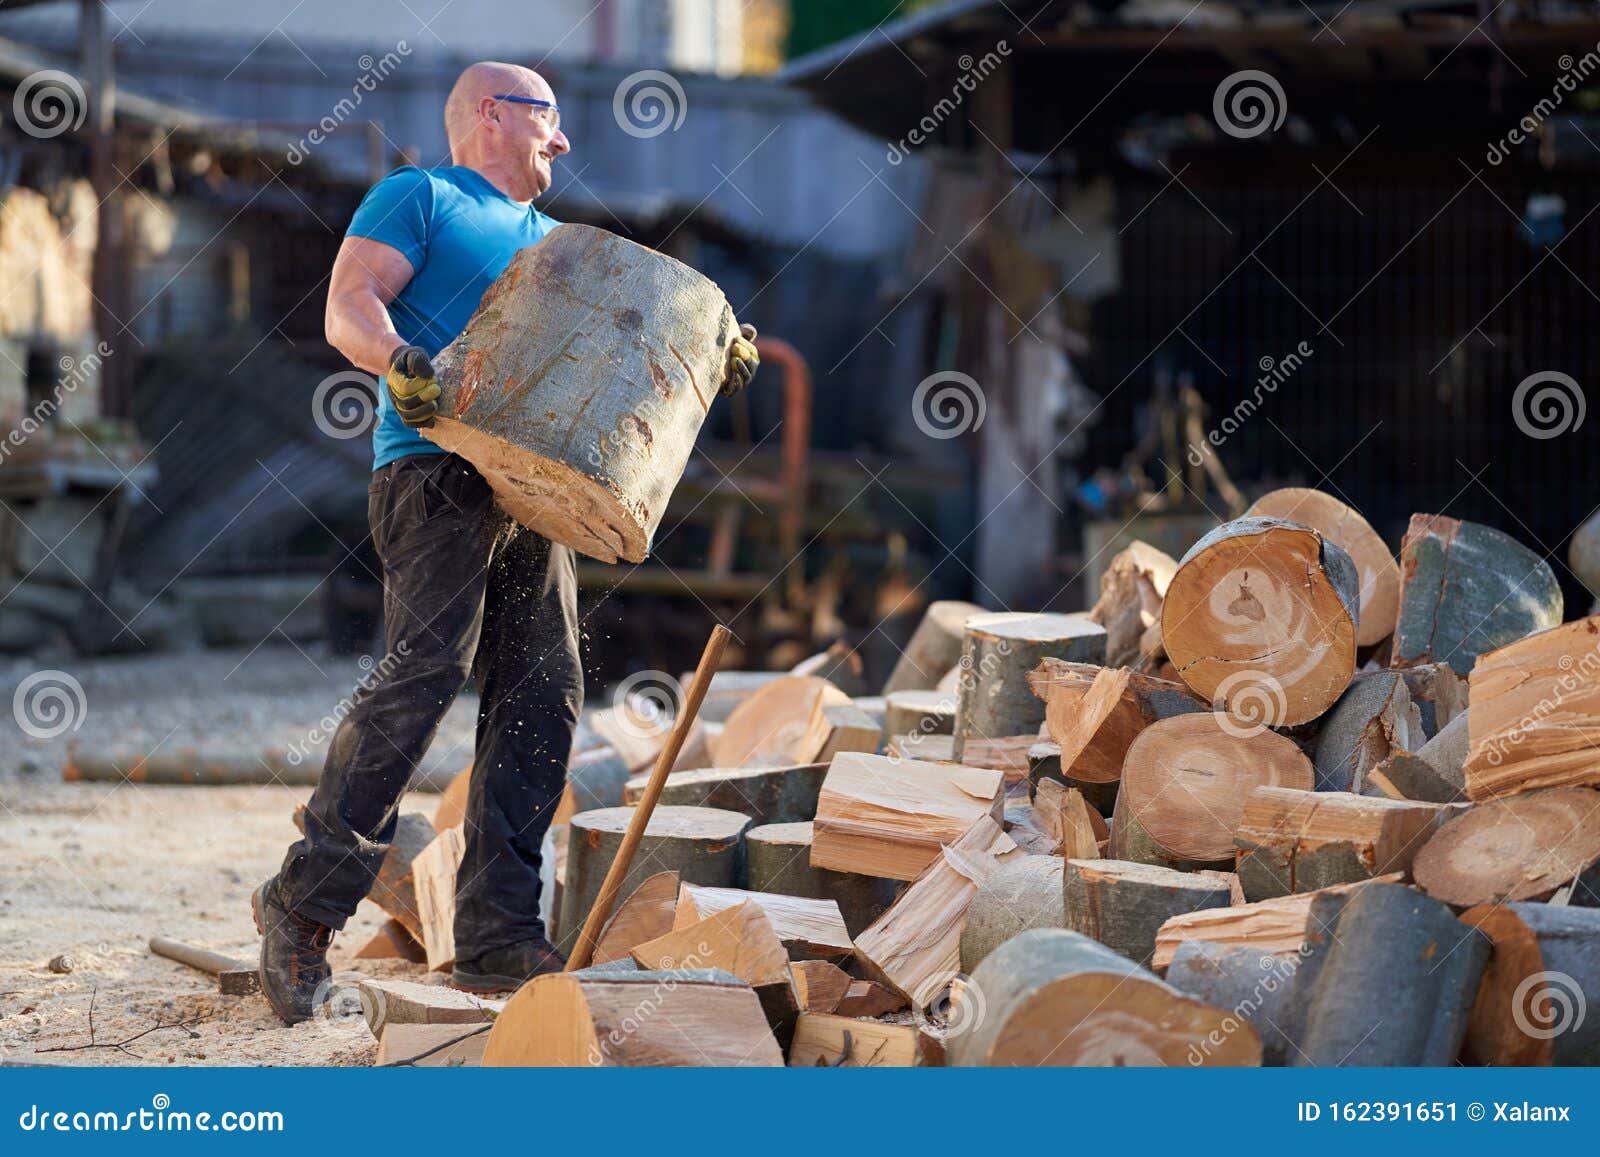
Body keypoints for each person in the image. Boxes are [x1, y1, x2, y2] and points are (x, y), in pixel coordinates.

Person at [252, 61, 759, 1024]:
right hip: (435, 469)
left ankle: (495, 934)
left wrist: (698, 353)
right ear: (491, 114)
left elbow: (617, 371)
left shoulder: (560, 244)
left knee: (544, 690)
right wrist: (398, 356)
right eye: (548, 120)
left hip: (533, 486)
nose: (561, 143)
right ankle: (302, 906)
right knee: (423, 668)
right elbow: (348, 301)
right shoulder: (424, 195)